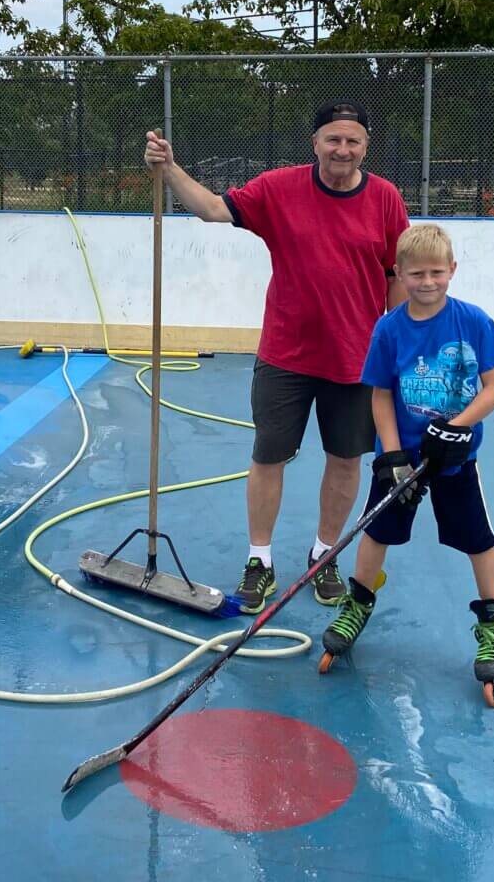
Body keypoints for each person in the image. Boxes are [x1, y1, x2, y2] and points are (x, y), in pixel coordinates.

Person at [143, 101, 409, 614]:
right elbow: (212, 209)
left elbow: (396, 271)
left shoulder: (384, 198)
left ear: (365, 147)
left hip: (357, 357)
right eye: (333, 139)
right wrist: (169, 168)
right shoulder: (279, 188)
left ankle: (323, 554)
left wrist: (394, 345)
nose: (342, 149)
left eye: (353, 141)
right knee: (269, 456)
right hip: (286, 353)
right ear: (315, 143)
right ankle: (259, 560)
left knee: (345, 459)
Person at [319, 223, 494, 699]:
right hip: (405, 460)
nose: (427, 282)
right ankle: (358, 602)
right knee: (377, 530)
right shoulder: (389, 329)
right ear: (399, 274)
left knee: (476, 537)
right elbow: (382, 394)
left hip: (456, 458)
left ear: (452, 271)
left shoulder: (472, 321)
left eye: (436, 272)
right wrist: (390, 453)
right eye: (416, 274)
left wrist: (458, 427)